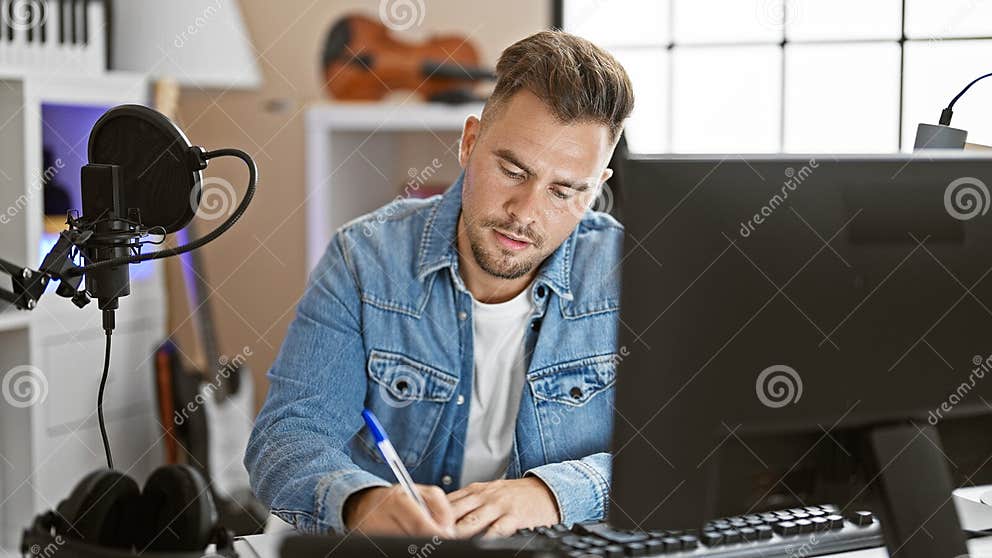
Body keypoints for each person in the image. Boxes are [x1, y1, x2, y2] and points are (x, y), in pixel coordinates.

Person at [245, 28, 634, 539]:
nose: (526, 213)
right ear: (470, 142)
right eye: (513, 171)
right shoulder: (364, 259)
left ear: (595, 190)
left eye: (565, 191)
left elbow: (679, 449)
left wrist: (552, 494)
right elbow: (286, 438)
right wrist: (361, 503)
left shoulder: (628, 273)